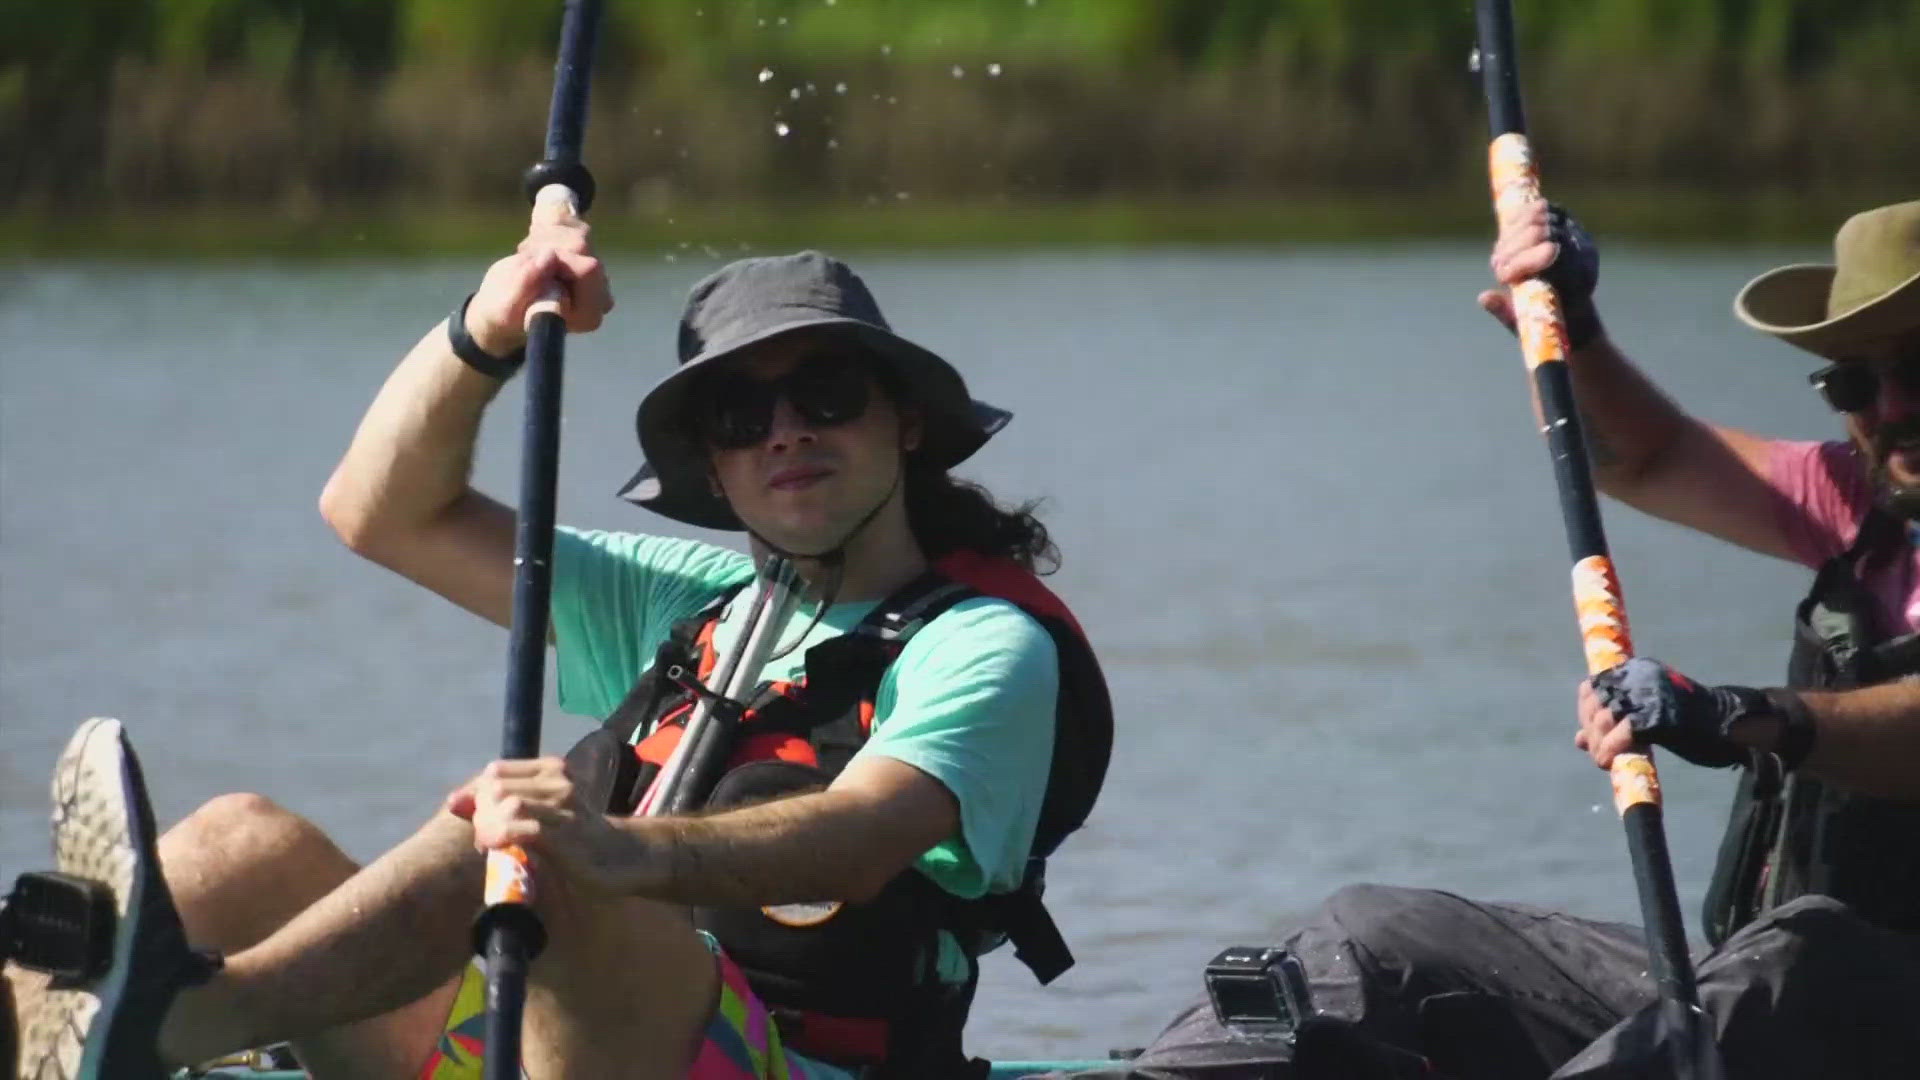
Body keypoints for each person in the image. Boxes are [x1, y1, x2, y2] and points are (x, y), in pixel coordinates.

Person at [2, 196, 1110, 1079]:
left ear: (904, 422)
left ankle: (170, 1023)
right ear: (715, 468)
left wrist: (620, 850)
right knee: (238, 842)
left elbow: (863, 837)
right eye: (742, 417)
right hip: (538, 1048)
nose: (786, 433)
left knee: (535, 840)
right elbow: (378, 513)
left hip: (794, 1065)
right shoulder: (691, 603)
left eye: (825, 394)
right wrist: (488, 328)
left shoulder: (984, 644)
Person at [1045, 201, 1920, 1080]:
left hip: (1858, 999)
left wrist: (1744, 715)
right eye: (1854, 384)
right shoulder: (1857, 501)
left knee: (1804, 955)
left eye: (1914, 368)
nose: (1889, 409)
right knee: (1378, 935)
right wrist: (1573, 331)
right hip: (1777, 990)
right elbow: (1644, 459)